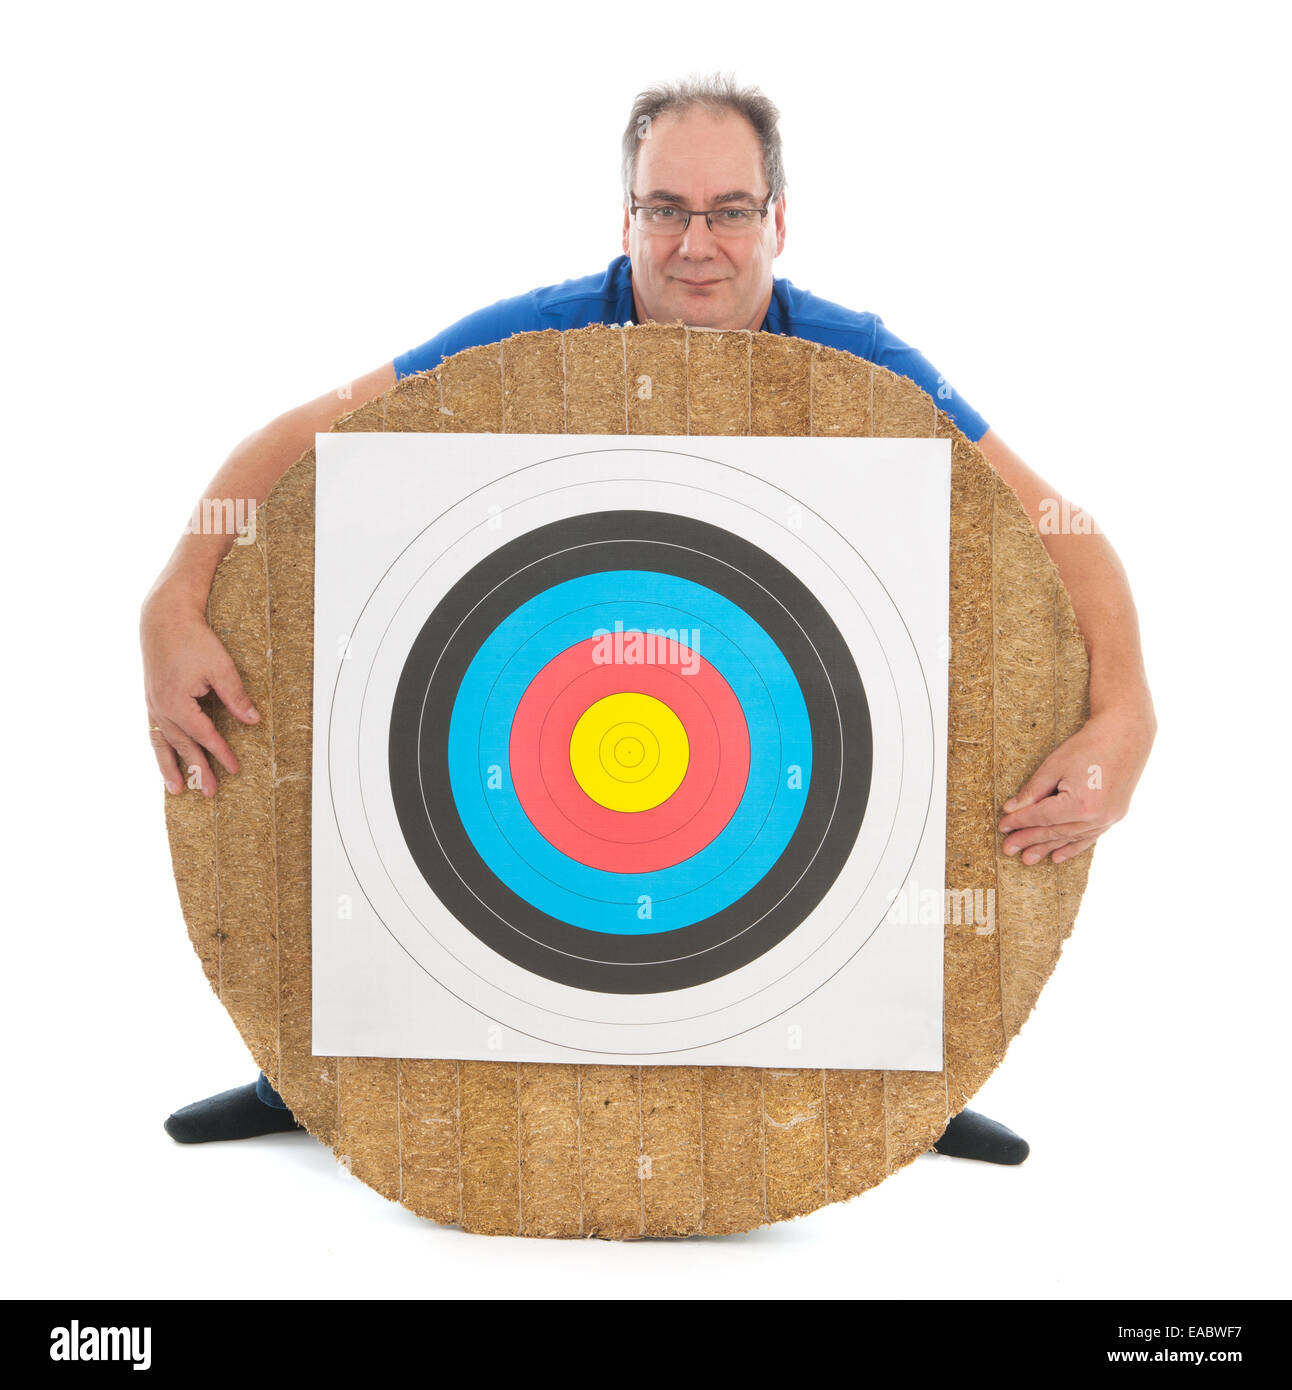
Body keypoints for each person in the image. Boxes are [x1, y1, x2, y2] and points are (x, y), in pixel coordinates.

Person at [145, 74, 1156, 1165]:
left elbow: (1051, 527)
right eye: (663, 208)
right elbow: (313, 433)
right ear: (622, 217)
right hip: (550, 685)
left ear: (778, 219)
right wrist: (173, 596)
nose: (695, 242)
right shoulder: (538, 332)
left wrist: (1128, 713)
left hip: (763, 708)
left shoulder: (855, 356)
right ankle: (310, 1071)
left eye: (728, 209)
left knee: (896, 745)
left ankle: (899, 1072)